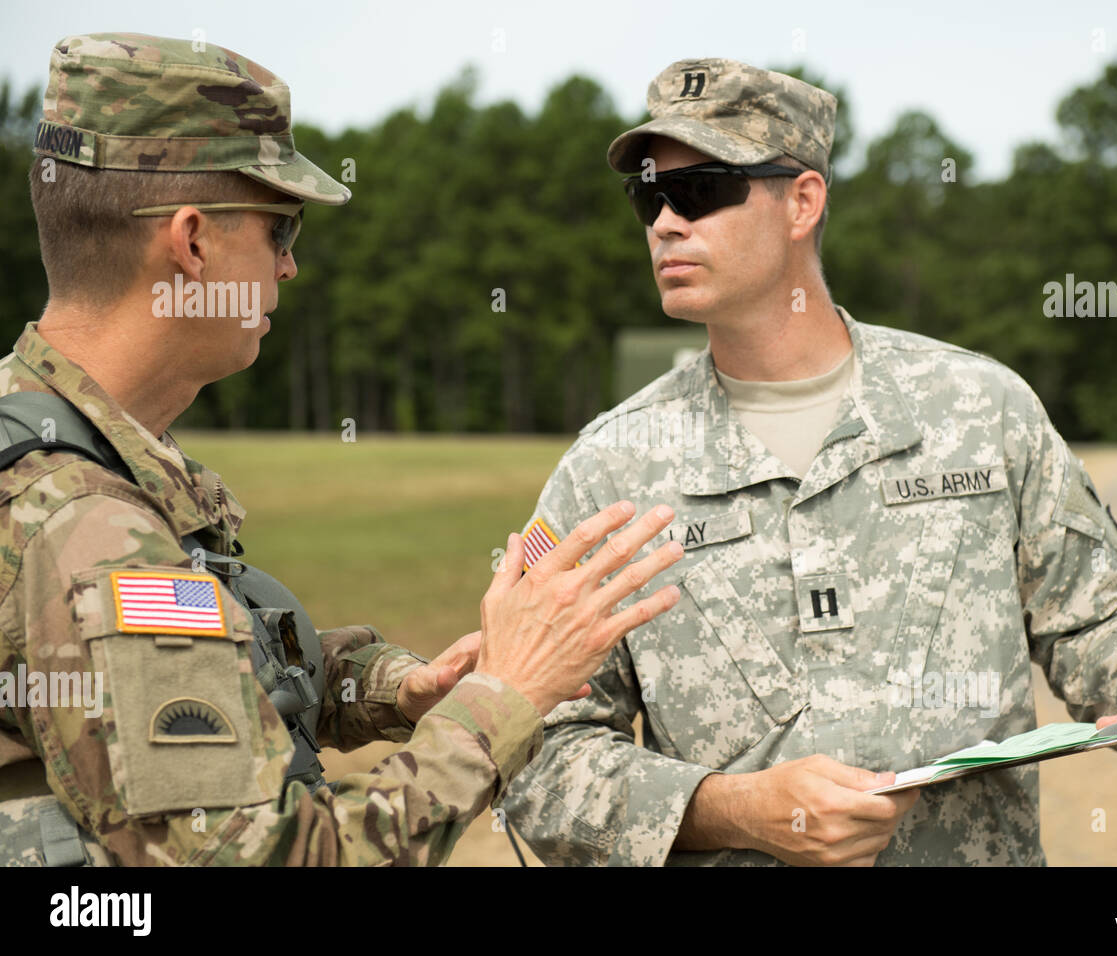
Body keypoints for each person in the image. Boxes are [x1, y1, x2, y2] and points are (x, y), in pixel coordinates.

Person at [499, 58, 1117, 866]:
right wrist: (726, 810)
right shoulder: (608, 470)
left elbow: (1101, 616)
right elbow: (531, 747)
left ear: (802, 201)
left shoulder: (980, 407)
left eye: (701, 192)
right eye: (647, 195)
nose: (664, 221)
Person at [0, 33, 683, 867]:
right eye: (280, 229)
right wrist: (503, 701)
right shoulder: (88, 532)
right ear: (191, 242)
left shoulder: (45, 438)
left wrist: (395, 690)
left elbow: (183, 693)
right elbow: (271, 860)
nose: (288, 268)